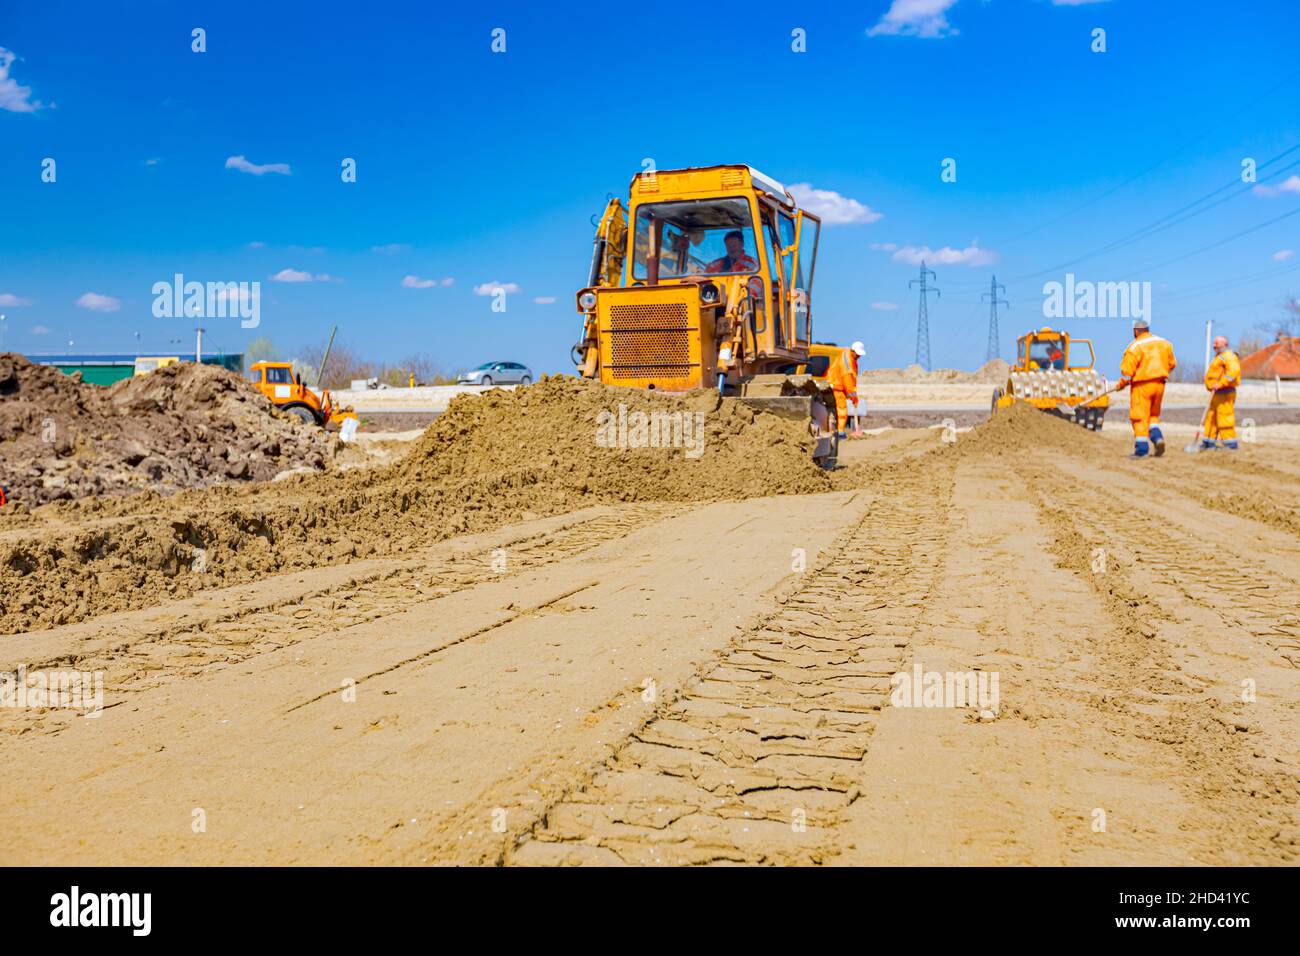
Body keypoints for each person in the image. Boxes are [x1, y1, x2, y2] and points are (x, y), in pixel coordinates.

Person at [1116, 317, 1176, 457]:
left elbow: (1127, 372)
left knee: (1139, 416)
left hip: (1142, 386)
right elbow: (1172, 364)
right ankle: (1157, 437)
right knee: (1153, 415)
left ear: (1136, 331)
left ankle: (1142, 450)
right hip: (1160, 385)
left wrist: (1121, 384)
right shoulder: (1164, 343)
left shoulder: (1134, 347)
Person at [1202, 335, 1241, 450]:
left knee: (1224, 417)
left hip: (1225, 392)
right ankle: (1208, 442)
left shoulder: (1228, 356)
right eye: (1214, 344)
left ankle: (1230, 443)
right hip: (1216, 393)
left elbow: (1233, 372)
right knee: (1211, 418)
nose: (1214, 346)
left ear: (1225, 344)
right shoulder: (1219, 356)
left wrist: (1220, 383)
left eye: (1217, 344)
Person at [827, 341, 867, 439]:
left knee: (838, 409)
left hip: (839, 384)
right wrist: (854, 398)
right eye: (857, 354)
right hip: (837, 385)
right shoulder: (847, 364)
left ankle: (838, 430)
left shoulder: (848, 355)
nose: (859, 356)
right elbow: (848, 382)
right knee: (842, 409)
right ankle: (840, 433)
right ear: (853, 351)